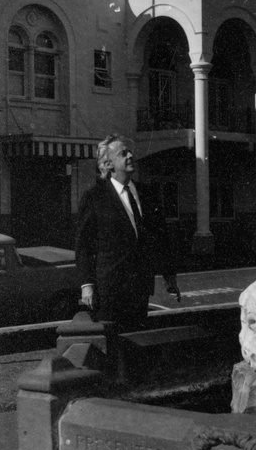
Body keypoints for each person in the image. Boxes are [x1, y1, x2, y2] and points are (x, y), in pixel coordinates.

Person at [75, 134, 181, 330]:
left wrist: (169, 273)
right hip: (109, 289)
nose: (131, 155)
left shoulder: (147, 193)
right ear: (108, 164)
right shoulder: (94, 197)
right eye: (124, 153)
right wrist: (86, 285)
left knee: (137, 341)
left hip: (140, 286)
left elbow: (160, 237)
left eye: (130, 151)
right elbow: (84, 246)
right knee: (112, 344)